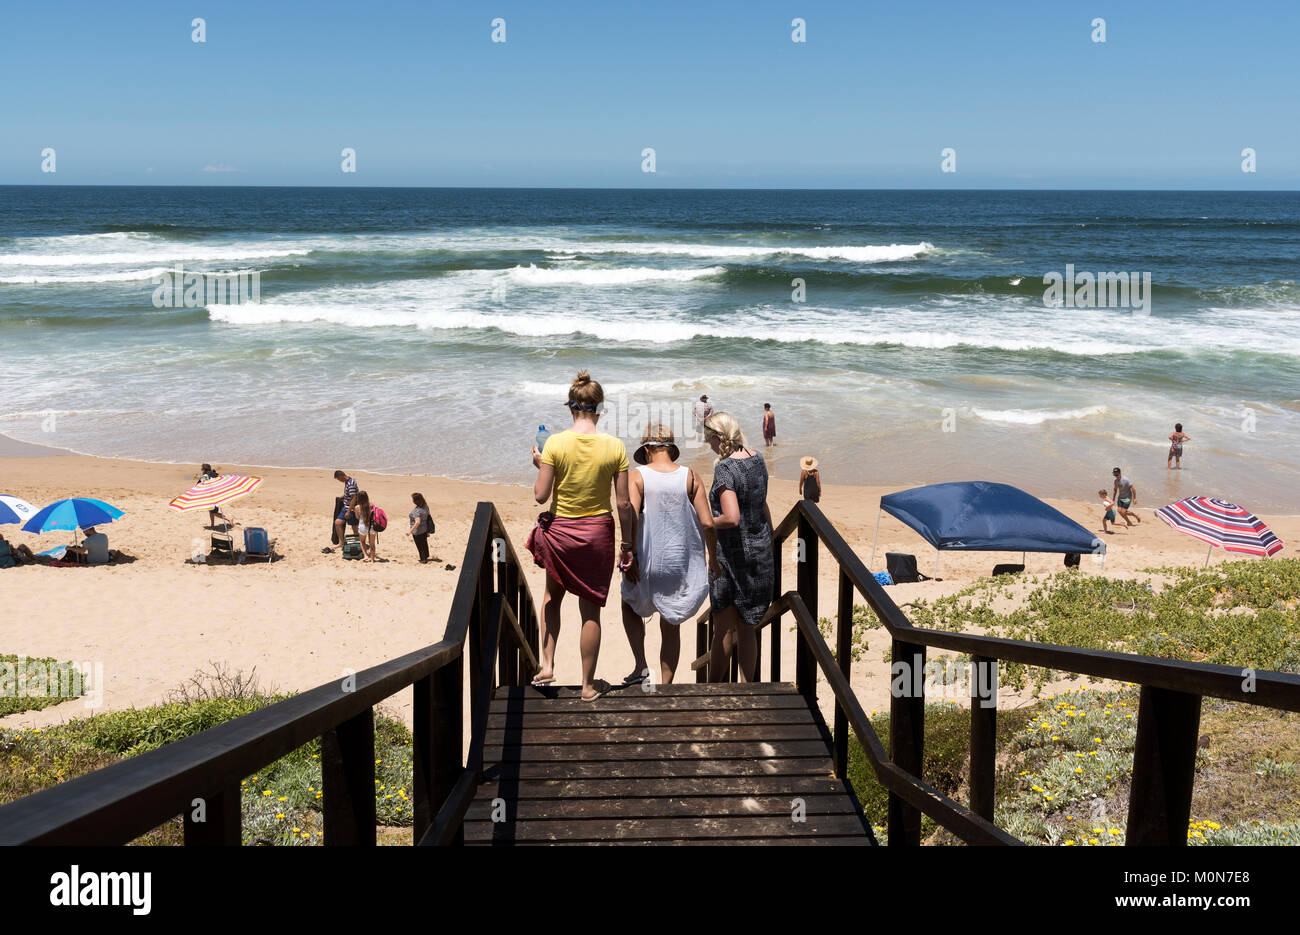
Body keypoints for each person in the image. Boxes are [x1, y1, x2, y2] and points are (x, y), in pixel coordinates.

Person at [528, 370, 637, 701]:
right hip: (597, 535)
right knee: (591, 612)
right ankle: (588, 686)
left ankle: (547, 664)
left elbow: (540, 495)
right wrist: (627, 544)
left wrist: (540, 463)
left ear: (570, 407)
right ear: (599, 408)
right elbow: (622, 503)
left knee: (552, 597)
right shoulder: (615, 447)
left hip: (561, 533)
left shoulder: (556, 444)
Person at [619, 425, 717, 686]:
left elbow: (630, 513)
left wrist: (628, 549)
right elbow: (708, 524)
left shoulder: (637, 476)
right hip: (678, 563)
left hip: (646, 560)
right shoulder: (692, 477)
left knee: (628, 603)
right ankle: (665, 684)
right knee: (671, 622)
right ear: (671, 450)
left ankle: (641, 665)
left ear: (647, 450)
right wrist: (714, 559)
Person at [703, 412, 774, 682]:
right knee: (748, 627)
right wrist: (770, 536)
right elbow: (762, 503)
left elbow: (731, 517)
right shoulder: (757, 458)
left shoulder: (725, 469)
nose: (705, 442)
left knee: (722, 627)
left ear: (717, 437)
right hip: (760, 553)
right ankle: (747, 688)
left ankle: (713, 687)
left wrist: (705, 522)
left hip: (732, 558)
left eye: (707, 436)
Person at [195, 463, 229, 529]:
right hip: (217, 493)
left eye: (202, 469)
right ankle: (212, 525)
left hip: (211, 495)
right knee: (211, 511)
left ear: (204, 469)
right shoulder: (214, 473)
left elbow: (198, 485)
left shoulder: (205, 476)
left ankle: (228, 519)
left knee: (213, 512)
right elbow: (220, 479)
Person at [333, 470, 359, 546]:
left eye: (338, 479)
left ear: (341, 476)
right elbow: (350, 493)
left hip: (351, 508)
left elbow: (354, 497)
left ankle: (358, 542)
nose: (339, 481)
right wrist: (342, 496)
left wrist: (348, 511)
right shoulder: (348, 481)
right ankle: (341, 542)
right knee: (338, 523)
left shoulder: (350, 483)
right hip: (346, 507)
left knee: (354, 526)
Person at [407, 493, 434, 563]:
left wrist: (410, 531)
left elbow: (417, 522)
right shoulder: (426, 507)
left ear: (416, 501)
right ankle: (426, 556)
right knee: (424, 543)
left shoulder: (416, 511)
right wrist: (428, 531)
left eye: (413, 499)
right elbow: (428, 517)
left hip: (417, 531)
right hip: (424, 529)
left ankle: (423, 559)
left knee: (420, 545)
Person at [354, 491, 378, 562]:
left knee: (362, 542)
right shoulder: (372, 505)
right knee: (372, 543)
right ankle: (372, 559)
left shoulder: (357, 507)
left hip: (362, 526)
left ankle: (365, 555)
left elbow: (357, 517)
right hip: (372, 526)